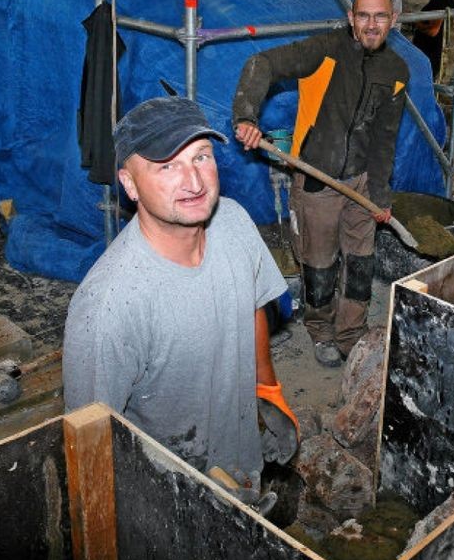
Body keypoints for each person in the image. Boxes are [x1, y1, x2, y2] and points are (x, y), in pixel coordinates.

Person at [63, 96, 297, 496]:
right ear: (129, 184)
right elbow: (89, 445)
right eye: (167, 166)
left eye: (201, 157)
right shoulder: (108, 309)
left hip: (241, 465)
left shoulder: (234, 222)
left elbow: (252, 306)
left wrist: (266, 388)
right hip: (170, 497)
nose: (194, 182)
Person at [233, 0, 409, 368]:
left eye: (380, 16)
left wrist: (379, 194)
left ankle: (351, 333)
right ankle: (321, 331)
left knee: (361, 266)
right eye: (363, 15)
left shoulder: (396, 71)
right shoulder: (325, 50)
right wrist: (246, 116)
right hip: (318, 182)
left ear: (393, 19)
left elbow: (385, 139)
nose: (371, 24)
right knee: (319, 266)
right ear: (351, 18)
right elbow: (262, 63)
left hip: (362, 184)